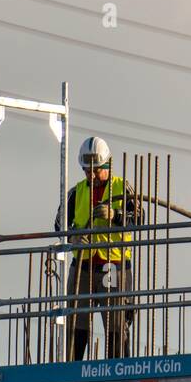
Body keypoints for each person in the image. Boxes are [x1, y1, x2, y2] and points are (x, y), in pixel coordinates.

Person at [55, 136, 144, 360]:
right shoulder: (77, 192)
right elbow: (59, 224)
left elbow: (142, 219)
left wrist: (116, 216)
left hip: (112, 267)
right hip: (83, 266)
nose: (91, 175)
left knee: (115, 323)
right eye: (87, 171)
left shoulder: (122, 188)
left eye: (96, 170)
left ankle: (118, 371)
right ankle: (70, 372)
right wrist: (74, 237)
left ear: (107, 165)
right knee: (76, 323)